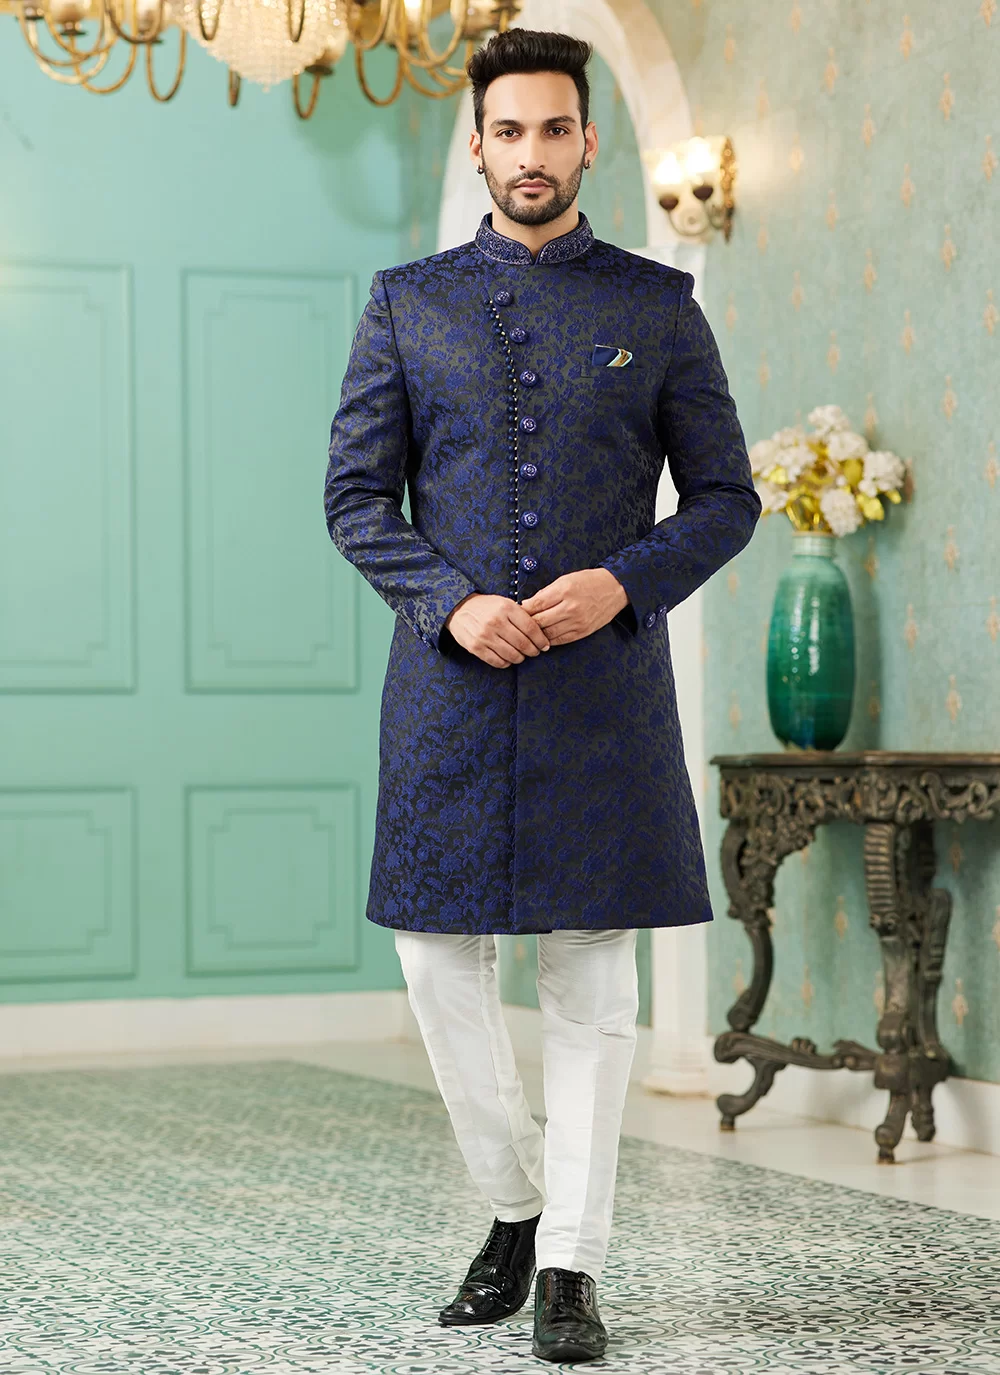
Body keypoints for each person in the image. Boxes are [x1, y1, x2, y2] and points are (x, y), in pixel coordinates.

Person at [324, 27, 761, 1364]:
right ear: (478, 143)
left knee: (591, 982)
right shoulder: (406, 303)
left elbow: (728, 498)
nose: (531, 152)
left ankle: (572, 1261)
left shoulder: (659, 305)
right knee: (433, 960)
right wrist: (450, 601)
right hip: (448, 688)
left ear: (588, 141)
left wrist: (626, 582)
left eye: (554, 129)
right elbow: (355, 497)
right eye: (507, 130)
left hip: (602, 696)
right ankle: (513, 1204)